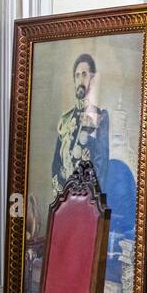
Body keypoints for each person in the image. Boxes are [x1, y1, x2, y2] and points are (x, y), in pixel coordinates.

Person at [51, 53, 111, 199]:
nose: (80, 79)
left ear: (92, 79)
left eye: (84, 74)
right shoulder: (65, 120)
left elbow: (101, 165)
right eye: (77, 76)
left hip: (87, 199)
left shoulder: (100, 117)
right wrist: (61, 196)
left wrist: (88, 198)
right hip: (64, 198)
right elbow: (56, 163)